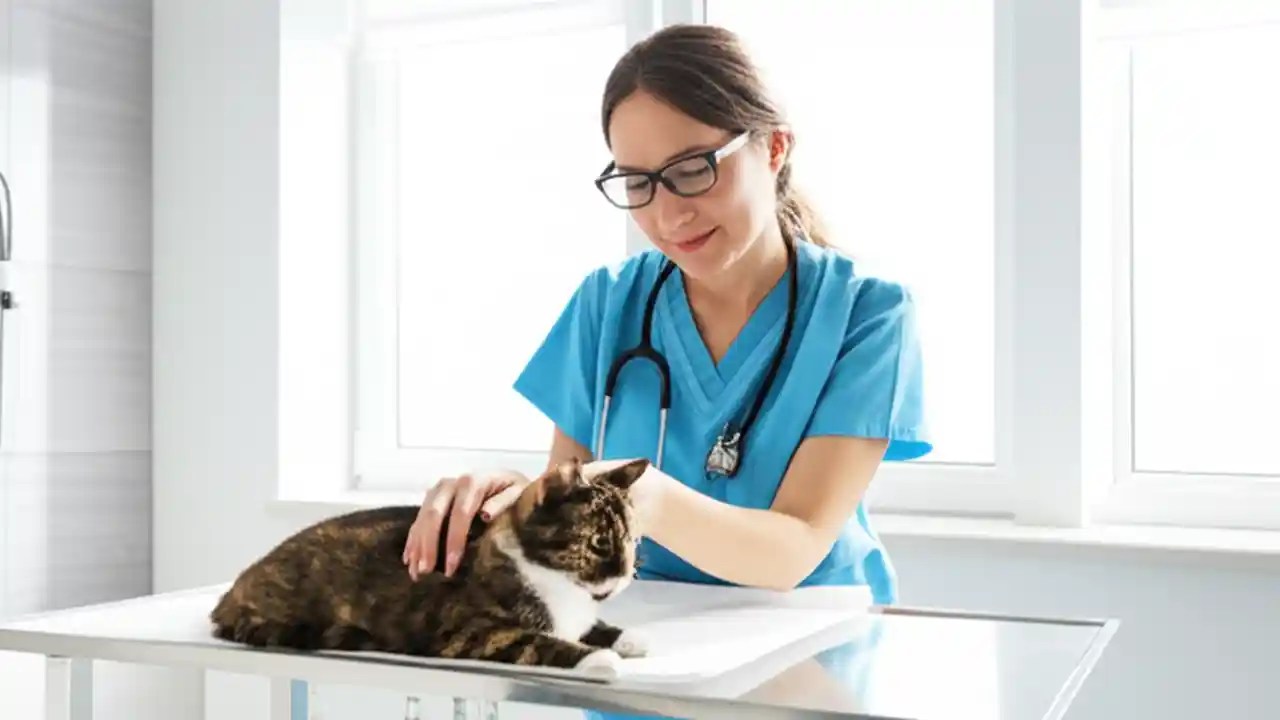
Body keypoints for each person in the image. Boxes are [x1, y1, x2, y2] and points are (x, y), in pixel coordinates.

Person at [402, 19, 931, 689]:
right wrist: (501, 497)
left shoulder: (868, 314)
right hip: (641, 642)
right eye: (638, 182)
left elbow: (794, 549)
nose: (668, 215)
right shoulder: (607, 303)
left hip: (808, 644)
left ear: (772, 148)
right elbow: (566, 511)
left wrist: (641, 490)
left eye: (693, 170)